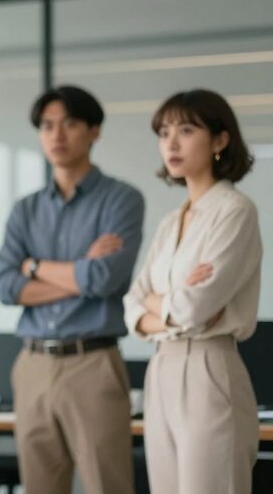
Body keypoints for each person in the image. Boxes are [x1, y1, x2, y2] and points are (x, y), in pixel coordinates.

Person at [0, 85, 144, 494]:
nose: (56, 135)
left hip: (91, 363)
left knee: (106, 485)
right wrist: (79, 271)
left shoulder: (122, 200)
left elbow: (104, 279)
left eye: (70, 124)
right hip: (32, 365)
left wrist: (36, 266)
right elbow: (7, 287)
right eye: (47, 125)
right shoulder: (25, 209)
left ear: (94, 132)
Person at [124, 89, 261, 494]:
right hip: (160, 369)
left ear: (220, 140)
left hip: (208, 368)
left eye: (186, 129)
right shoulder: (171, 221)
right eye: (164, 132)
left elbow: (193, 307)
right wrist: (165, 303)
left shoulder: (235, 211)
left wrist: (160, 304)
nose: (171, 142)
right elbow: (132, 302)